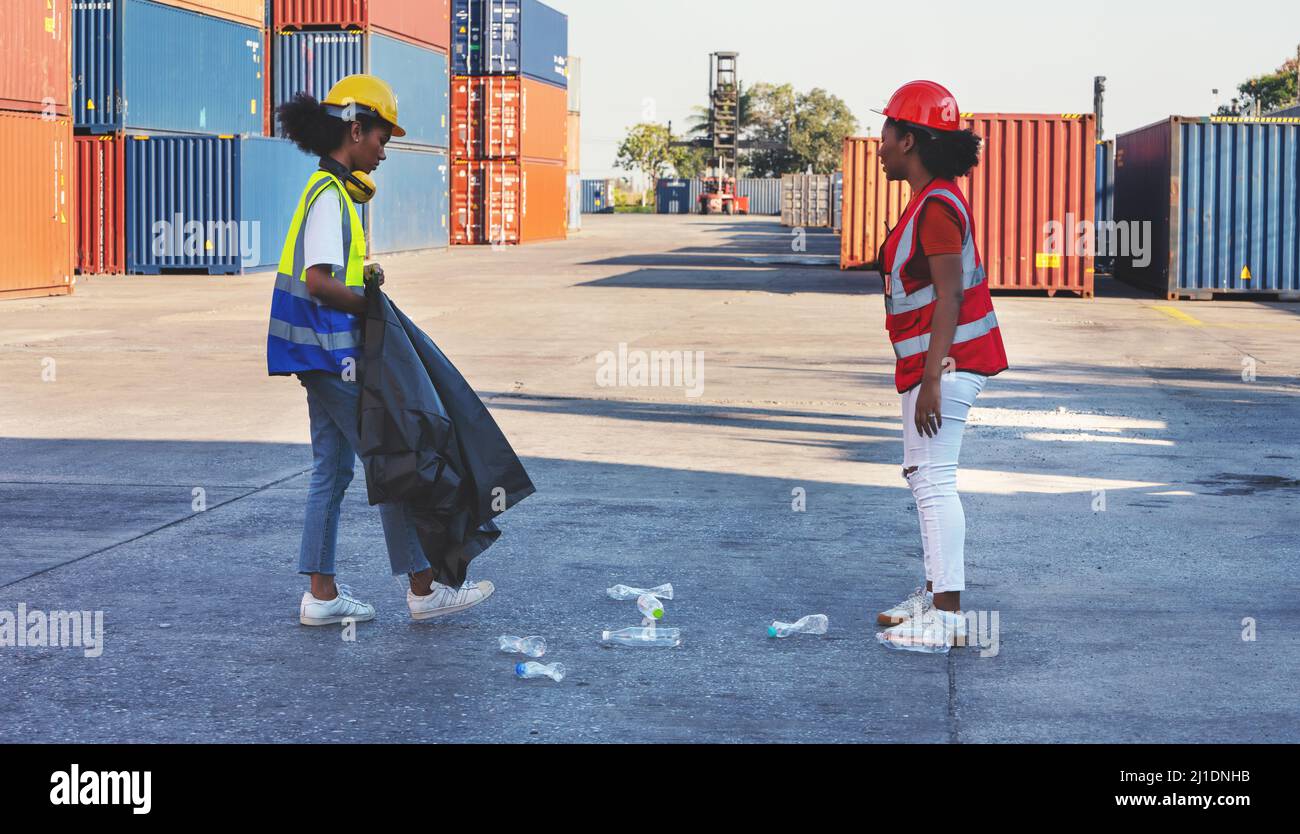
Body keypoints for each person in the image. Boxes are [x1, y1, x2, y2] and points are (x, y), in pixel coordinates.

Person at [267, 74, 494, 627]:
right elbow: (319, 282)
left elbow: (328, 276)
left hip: (316, 356)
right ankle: (424, 589)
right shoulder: (330, 196)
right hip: (332, 354)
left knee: (332, 469)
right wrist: (371, 304)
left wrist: (362, 280)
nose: (384, 152)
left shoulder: (328, 192)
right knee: (392, 459)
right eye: (381, 138)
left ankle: (322, 595)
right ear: (355, 130)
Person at [869, 81, 1009, 652]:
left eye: (885, 132)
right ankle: (934, 597)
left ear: (909, 140)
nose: (878, 144)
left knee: (934, 480)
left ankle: (948, 616)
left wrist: (932, 380)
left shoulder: (937, 207)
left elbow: (950, 296)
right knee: (923, 476)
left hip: (947, 367)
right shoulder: (928, 200)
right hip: (933, 366)